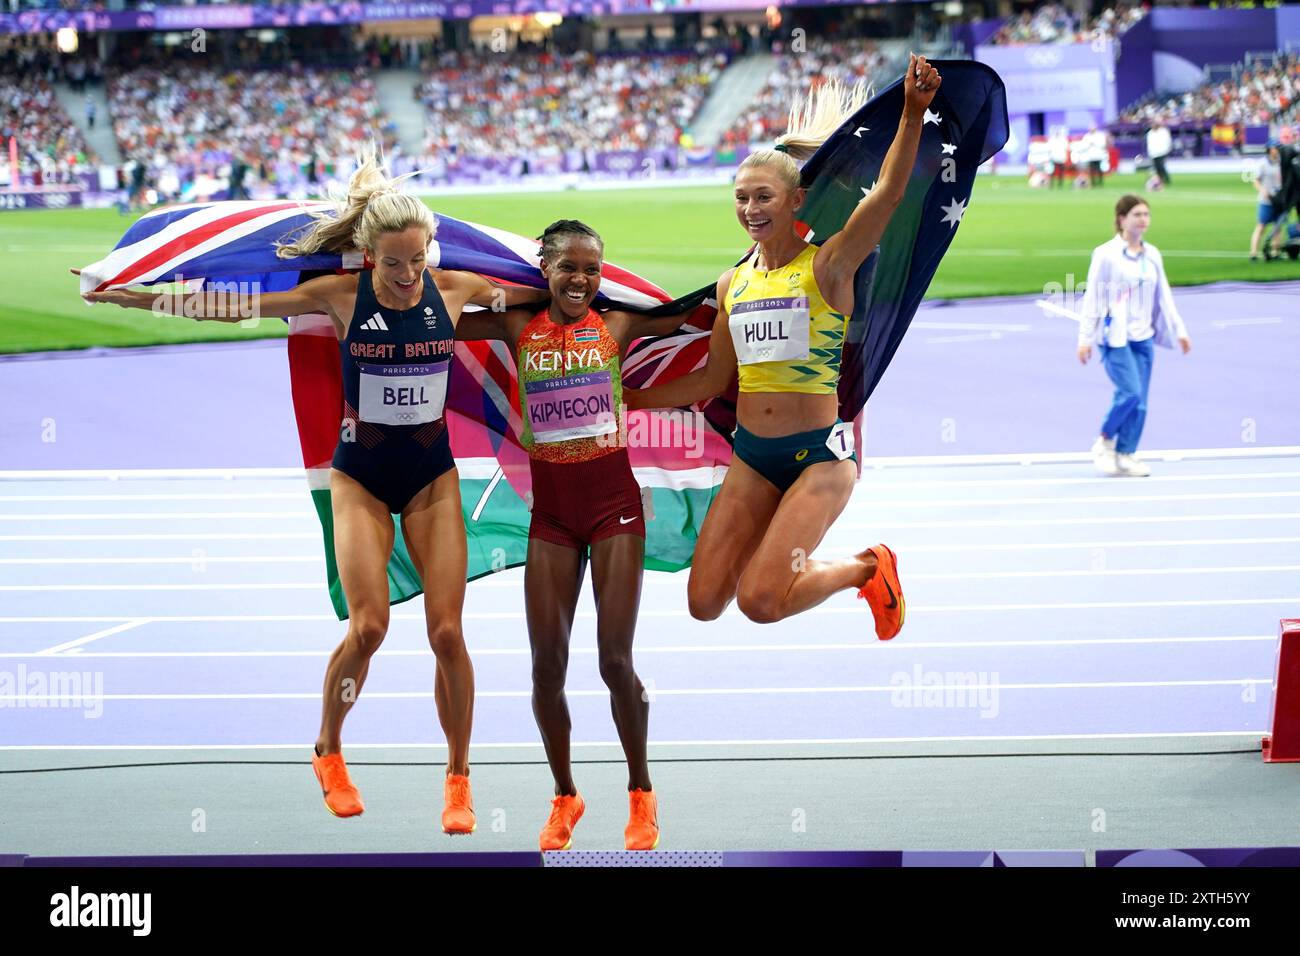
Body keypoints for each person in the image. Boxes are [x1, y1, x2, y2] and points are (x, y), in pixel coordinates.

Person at [74, 148, 548, 833]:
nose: (409, 275)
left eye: (418, 260)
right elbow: (228, 305)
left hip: (432, 480)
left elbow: (547, 291)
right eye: (394, 263)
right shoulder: (339, 297)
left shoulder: (454, 288)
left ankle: (458, 778)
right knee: (370, 626)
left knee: (447, 631)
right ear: (366, 254)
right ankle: (328, 746)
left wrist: (600, 294)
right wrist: (136, 295)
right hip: (358, 477)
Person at [624, 55, 944, 638]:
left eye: (764, 197)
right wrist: (627, 399)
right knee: (703, 602)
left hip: (818, 458)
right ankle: (778, 551)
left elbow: (889, 198)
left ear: (796, 202)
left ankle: (867, 567)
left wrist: (913, 112)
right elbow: (709, 382)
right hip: (753, 458)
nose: (751, 209)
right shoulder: (733, 283)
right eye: (742, 198)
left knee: (761, 602)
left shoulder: (830, 266)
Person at [457, 220, 695, 851]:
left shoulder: (617, 325)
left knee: (615, 662)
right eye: (569, 268)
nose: (582, 280)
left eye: (593, 269)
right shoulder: (517, 326)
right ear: (545, 268)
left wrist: (742, 283)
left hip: (615, 507)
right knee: (545, 670)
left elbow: (689, 316)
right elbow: (436, 321)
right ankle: (565, 794)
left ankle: (641, 793)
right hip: (553, 518)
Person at [1077, 195, 1192, 477]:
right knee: (1130, 392)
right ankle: (1105, 440)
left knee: (1141, 401)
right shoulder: (1105, 254)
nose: (1143, 219)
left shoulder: (1152, 254)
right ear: (1121, 219)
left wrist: (1180, 330)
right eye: (1137, 214)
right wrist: (1084, 338)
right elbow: (1093, 296)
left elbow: (1164, 294)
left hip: (1143, 336)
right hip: (1115, 336)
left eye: (1146, 215)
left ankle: (1126, 452)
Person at [1250, 141, 1286, 262]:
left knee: (1278, 226)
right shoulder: (1263, 163)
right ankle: (1253, 253)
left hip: (1279, 198)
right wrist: (1262, 190)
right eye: (1275, 148)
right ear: (1270, 149)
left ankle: (1275, 252)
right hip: (1266, 200)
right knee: (1261, 226)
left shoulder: (1282, 162)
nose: (1277, 150)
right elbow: (1255, 180)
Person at [1146, 118, 1172, 188]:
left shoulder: (1163, 131)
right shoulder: (1150, 133)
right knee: (1157, 168)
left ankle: (1166, 179)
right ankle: (1160, 180)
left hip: (1162, 152)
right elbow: (1149, 144)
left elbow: (1167, 141)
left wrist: (1167, 149)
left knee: (1161, 166)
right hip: (1154, 153)